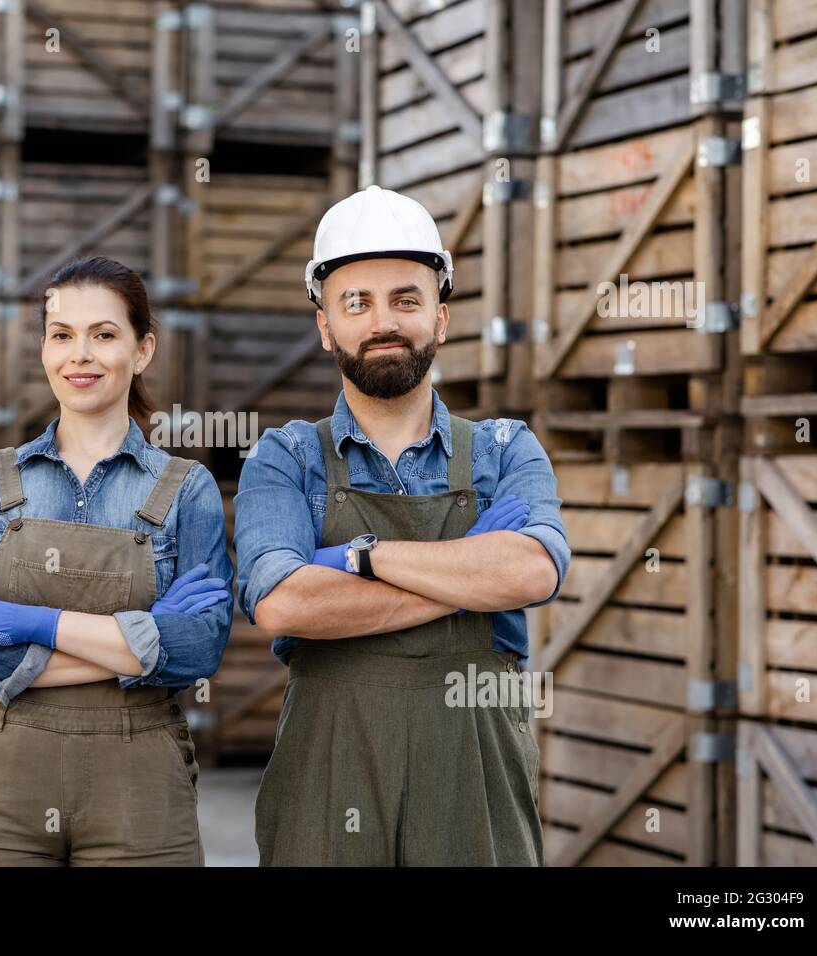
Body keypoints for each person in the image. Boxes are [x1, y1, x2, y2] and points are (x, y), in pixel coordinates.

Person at [234, 185, 571, 866]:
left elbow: (532, 571)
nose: (382, 320)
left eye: (405, 299)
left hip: (474, 785)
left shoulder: (507, 447)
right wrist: (470, 570)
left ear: (442, 319)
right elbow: (284, 601)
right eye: (355, 302)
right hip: (328, 780)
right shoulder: (285, 456)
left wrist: (357, 557)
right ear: (325, 325)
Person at [0, 255, 233, 866]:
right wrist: (142, 640)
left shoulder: (187, 489)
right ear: (43, 349)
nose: (80, 355)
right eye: (63, 336)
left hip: (139, 782)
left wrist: (25, 622)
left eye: (104, 335)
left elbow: (198, 651)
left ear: (142, 350)